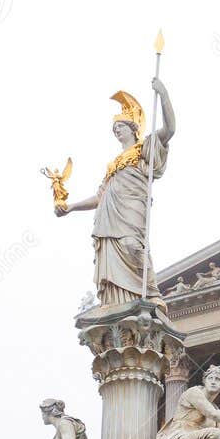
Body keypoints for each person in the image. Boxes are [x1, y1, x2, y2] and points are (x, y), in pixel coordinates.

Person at [56, 78, 175, 307]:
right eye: (114, 128)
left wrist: (163, 95)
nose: (116, 130)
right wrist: (70, 208)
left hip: (131, 209)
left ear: (133, 128)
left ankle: (150, 293)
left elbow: (170, 128)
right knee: (111, 255)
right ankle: (116, 303)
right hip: (108, 217)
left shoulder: (144, 150)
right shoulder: (113, 165)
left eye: (120, 126)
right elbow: (100, 197)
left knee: (132, 245)